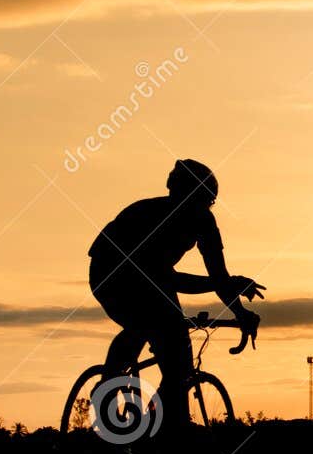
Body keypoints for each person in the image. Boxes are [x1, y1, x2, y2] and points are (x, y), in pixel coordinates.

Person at [88, 159, 262, 438]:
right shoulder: (150, 217)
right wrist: (228, 285)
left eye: (207, 202)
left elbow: (218, 274)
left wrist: (240, 312)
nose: (201, 209)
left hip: (152, 280)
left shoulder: (204, 221)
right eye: (198, 200)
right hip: (110, 274)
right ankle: (108, 388)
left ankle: (170, 425)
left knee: (177, 354)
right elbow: (169, 280)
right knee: (144, 324)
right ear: (178, 195)